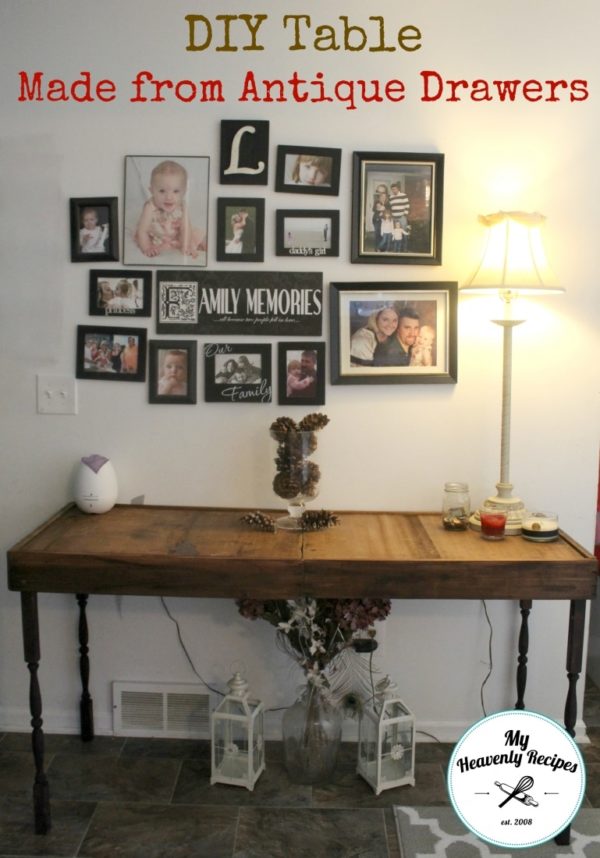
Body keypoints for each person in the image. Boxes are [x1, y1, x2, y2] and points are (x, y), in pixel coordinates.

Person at [134, 160, 205, 259]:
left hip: (177, 236)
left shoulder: (182, 206)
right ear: (152, 191)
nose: (169, 197)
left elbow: (185, 228)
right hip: (157, 239)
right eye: (162, 191)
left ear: (184, 192)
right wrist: (147, 247)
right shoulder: (150, 207)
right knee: (147, 242)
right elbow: (142, 231)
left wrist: (186, 246)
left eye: (176, 191)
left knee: (200, 240)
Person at [388, 182, 410, 251]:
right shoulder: (391, 197)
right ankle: (396, 248)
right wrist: (391, 215)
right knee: (396, 233)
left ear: (398, 188)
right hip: (394, 218)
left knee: (404, 232)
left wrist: (404, 215)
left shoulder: (404, 195)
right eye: (392, 189)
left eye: (395, 189)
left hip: (402, 217)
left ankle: (405, 248)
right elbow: (391, 207)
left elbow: (407, 206)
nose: (393, 191)